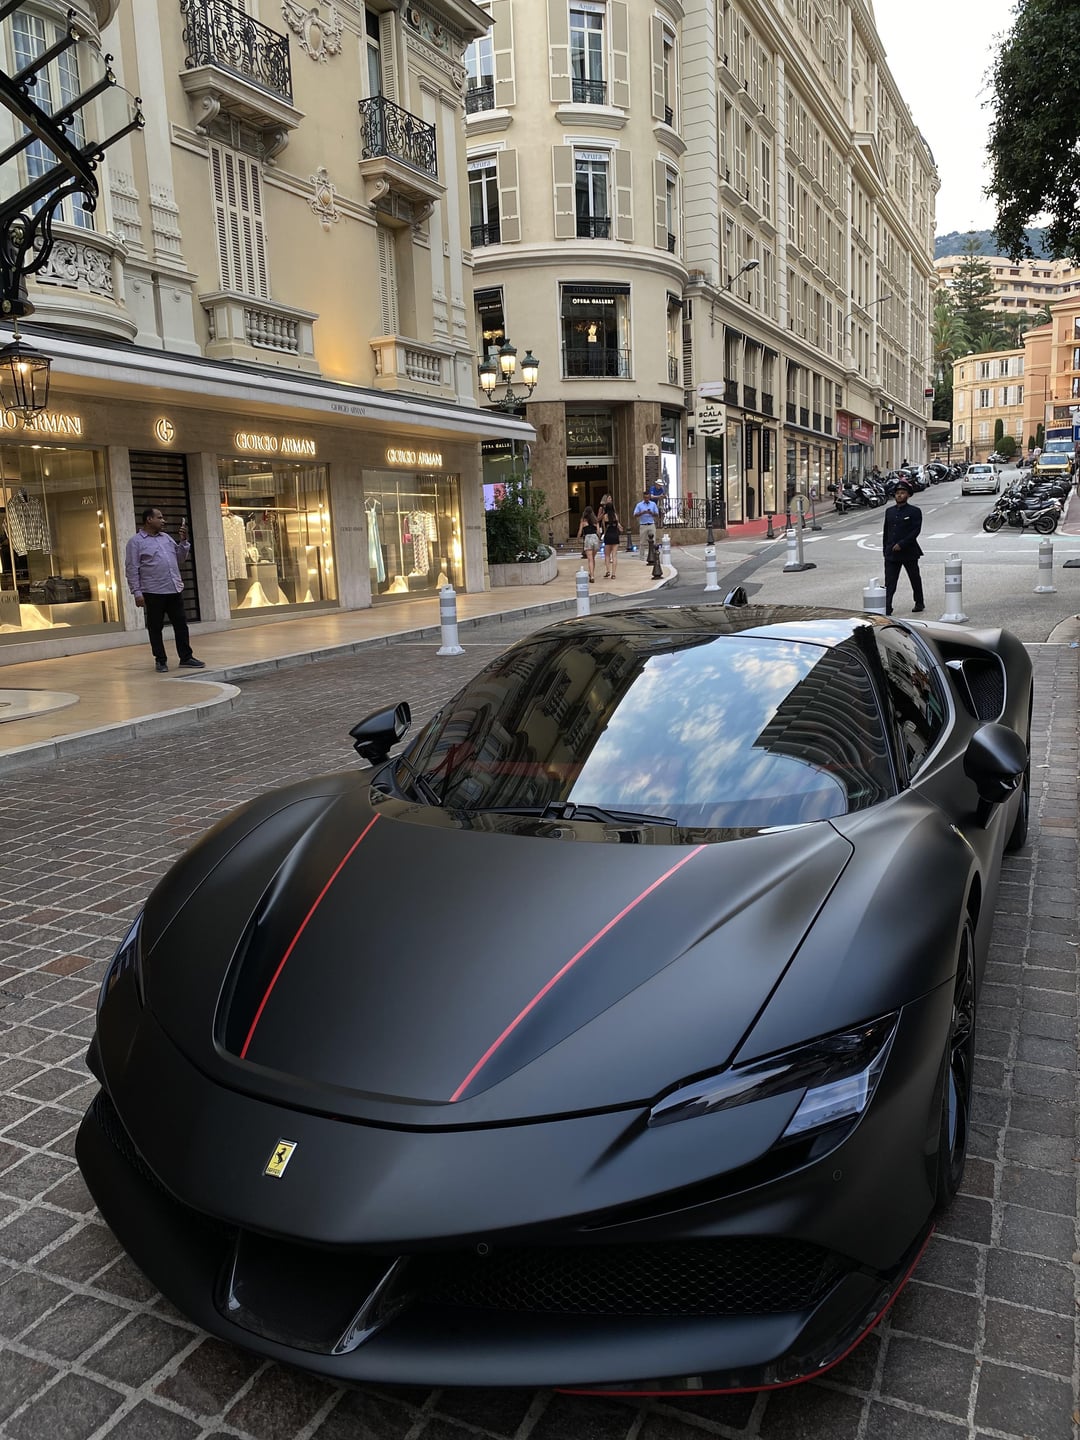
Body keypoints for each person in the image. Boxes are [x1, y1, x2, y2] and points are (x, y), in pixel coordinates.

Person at [124, 507, 205, 672]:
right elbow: (132, 569)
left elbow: (180, 559)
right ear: (149, 519)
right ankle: (160, 660)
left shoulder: (166, 538)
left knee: (181, 625)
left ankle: (186, 657)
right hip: (153, 591)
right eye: (159, 518)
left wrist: (183, 542)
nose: (163, 521)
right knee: (155, 628)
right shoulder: (136, 542)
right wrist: (137, 593)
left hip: (173, 589)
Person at [882, 481, 924, 617]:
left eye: (902, 493)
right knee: (890, 582)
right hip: (891, 553)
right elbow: (886, 532)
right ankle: (887, 606)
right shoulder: (889, 511)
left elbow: (915, 531)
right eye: (897, 493)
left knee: (914, 578)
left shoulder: (914, 511)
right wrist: (885, 549)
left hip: (909, 551)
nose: (899, 495)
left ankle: (919, 602)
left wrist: (902, 544)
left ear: (908, 495)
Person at [632, 489, 660, 560]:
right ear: (643, 497)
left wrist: (651, 513)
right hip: (643, 525)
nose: (646, 499)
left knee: (653, 541)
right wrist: (642, 512)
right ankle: (642, 557)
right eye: (645, 497)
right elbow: (635, 515)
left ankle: (653, 556)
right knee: (642, 542)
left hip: (651, 524)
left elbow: (657, 514)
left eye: (648, 497)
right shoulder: (639, 505)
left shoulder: (653, 504)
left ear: (649, 497)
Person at [576, 506, 600, 581]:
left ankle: (592, 576)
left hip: (588, 538)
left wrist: (577, 539)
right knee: (593, 558)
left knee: (590, 559)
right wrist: (599, 538)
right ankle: (592, 573)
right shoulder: (595, 521)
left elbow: (580, 531)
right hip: (595, 538)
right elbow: (598, 532)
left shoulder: (583, 520)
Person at [601, 502, 621, 578]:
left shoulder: (605, 516)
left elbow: (604, 528)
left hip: (608, 536)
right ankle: (614, 574)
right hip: (615, 535)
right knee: (614, 555)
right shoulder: (615, 515)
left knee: (607, 555)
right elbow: (618, 526)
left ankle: (608, 571)